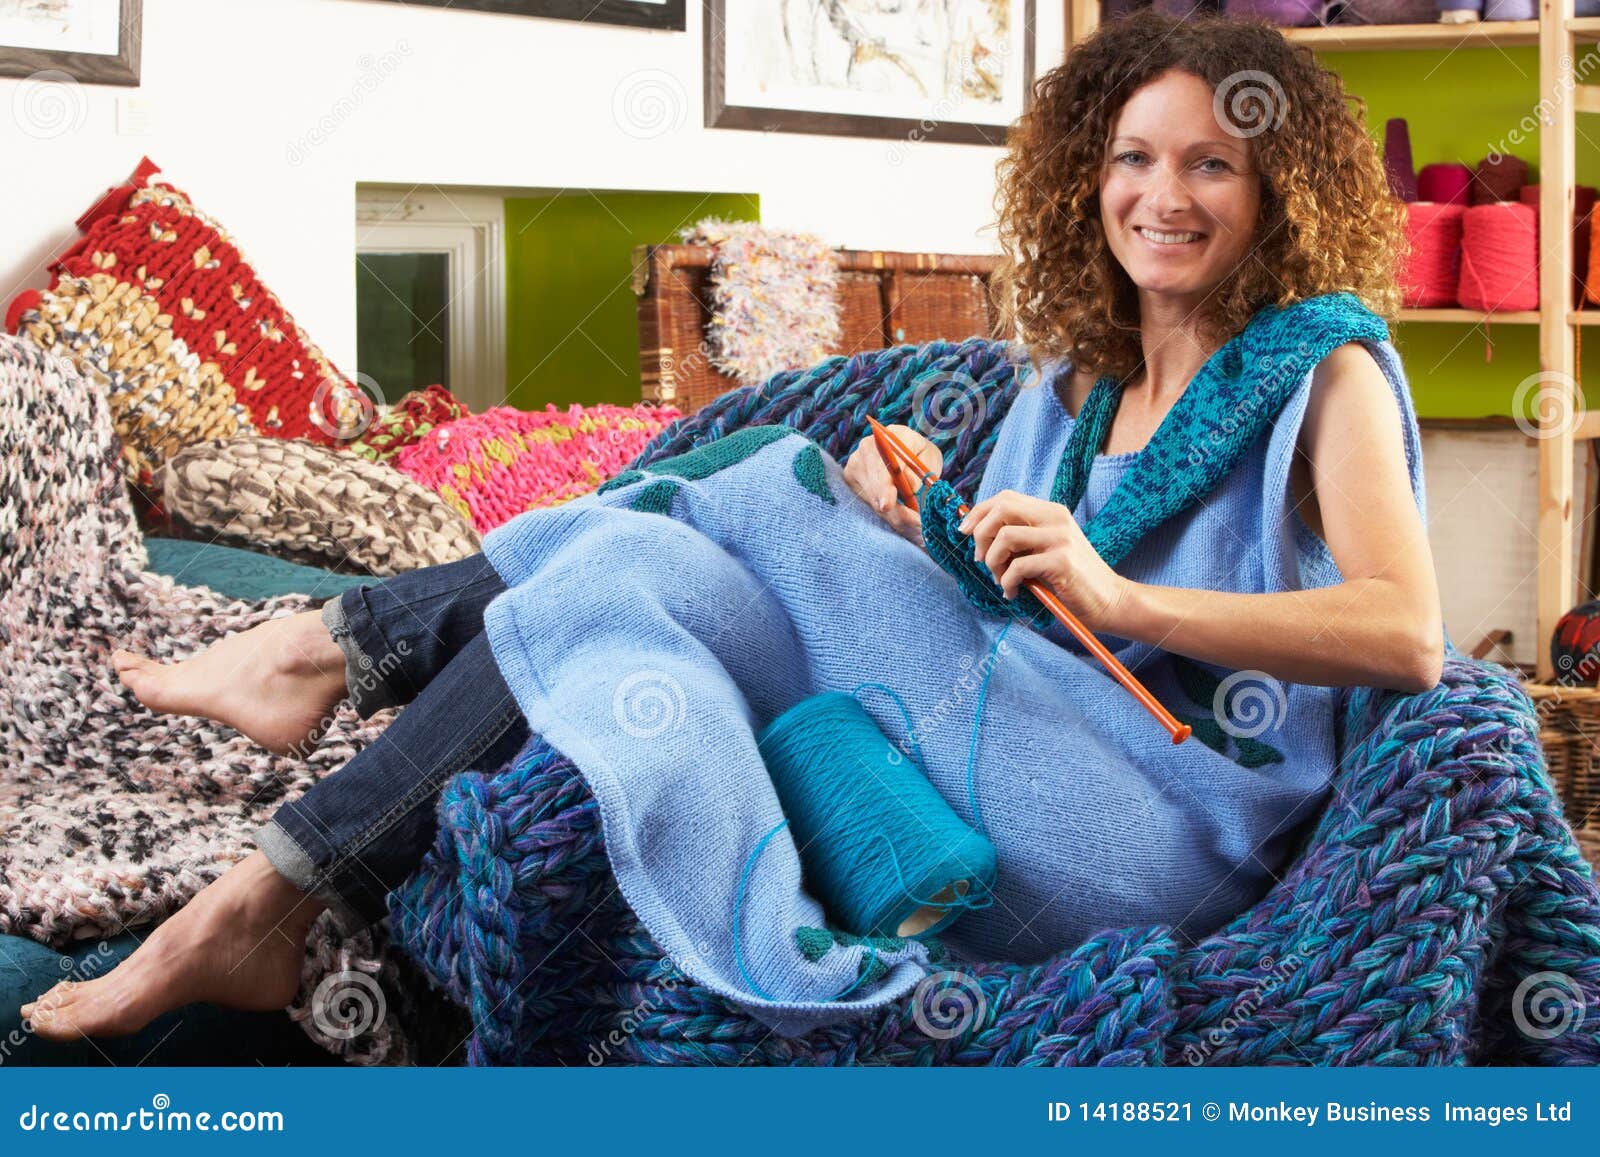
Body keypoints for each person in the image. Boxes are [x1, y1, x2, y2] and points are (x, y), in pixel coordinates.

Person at [22, 10, 1441, 1041]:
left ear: (1277, 193)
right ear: (1092, 176)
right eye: (1134, 158)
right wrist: (916, 527)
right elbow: (1003, 607)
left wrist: (1126, 602)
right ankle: (268, 899)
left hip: (1156, 823)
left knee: (764, 477)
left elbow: (1407, 632)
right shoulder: (1074, 382)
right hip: (1004, 741)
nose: (1162, 197)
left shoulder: (1322, 374)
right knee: (634, 569)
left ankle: (327, 650)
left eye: (1211, 165)